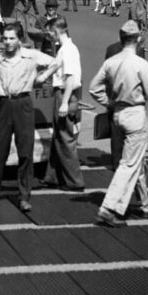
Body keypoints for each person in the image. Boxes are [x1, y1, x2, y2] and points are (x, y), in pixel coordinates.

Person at [90, 20, 148, 227]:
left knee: (136, 161)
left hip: (117, 113)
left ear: (121, 38)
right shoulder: (140, 64)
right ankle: (109, 208)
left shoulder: (111, 62)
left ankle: (145, 203)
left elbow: (94, 88)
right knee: (129, 164)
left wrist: (108, 103)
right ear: (137, 39)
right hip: (135, 114)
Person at [0, 22, 54, 212]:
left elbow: (56, 62)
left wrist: (41, 78)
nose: (8, 42)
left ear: (19, 40)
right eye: (5, 39)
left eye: (12, 38)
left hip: (23, 104)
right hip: (4, 105)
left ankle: (24, 197)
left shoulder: (31, 56)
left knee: (25, 151)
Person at [37, 16, 85, 191]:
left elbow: (71, 78)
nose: (49, 36)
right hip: (62, 94)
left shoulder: (68, 50)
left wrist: (64, 103)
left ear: (56, 31)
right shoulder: (64, 49)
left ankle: (75, 181)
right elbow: (56, 64)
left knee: (65, 139)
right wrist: (43, 76)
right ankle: (52, 176)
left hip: (66, 95)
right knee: (58, 136)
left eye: (50, 33)